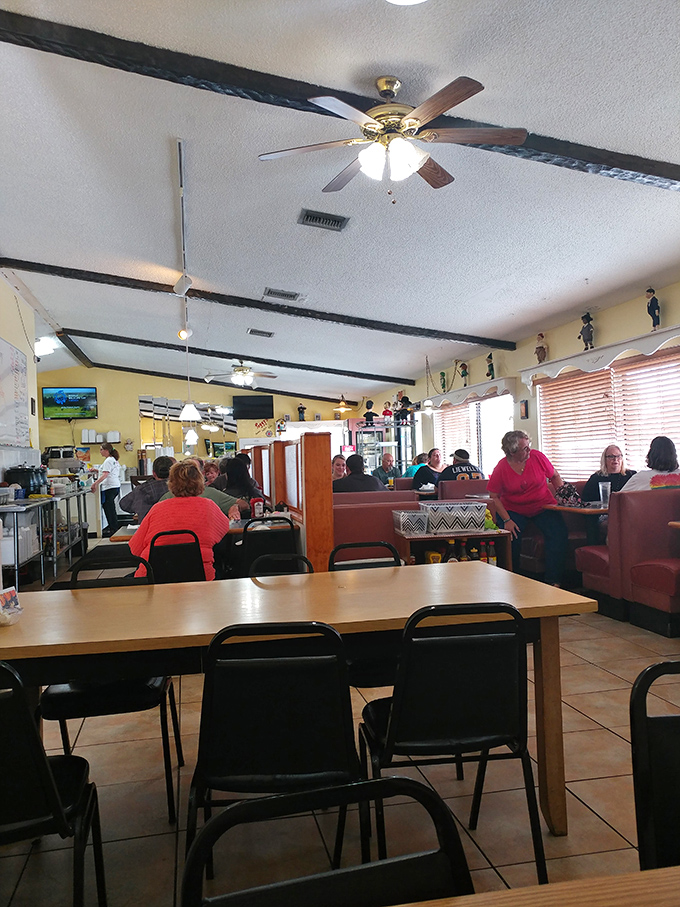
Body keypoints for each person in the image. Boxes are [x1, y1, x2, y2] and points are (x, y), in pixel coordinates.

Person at [487, 431, 568, 586]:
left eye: (529, 446)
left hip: (543, 505)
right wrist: (507, 519)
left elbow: (555, 476)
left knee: (558, 533)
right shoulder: (502, 468)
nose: (529, 451)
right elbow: (494, 496)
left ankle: (554, 581)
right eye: (525, 448)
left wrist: (564, 497)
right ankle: (512, 581)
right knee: (511, 537)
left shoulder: (537, 457)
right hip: (514, 509)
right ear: (512, 451)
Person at [130, 460, 231, 581]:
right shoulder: (209, 506)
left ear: (171, 483)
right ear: (200, 482)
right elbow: (224, 531)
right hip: (200, 577)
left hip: (154, 578)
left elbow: (135, 549)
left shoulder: (157, 508)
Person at [161, 459, 241, 519]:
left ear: (171, 481)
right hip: (204, 541)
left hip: (167, 541)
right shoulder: (209, 504)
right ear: (200, 478)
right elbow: (223, 529)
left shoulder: (161, 504)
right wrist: (235, 506)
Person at [119, 455, 175, 522]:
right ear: (172, 472)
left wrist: (138, 508)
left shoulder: (141, 489)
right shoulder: (178, 489)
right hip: (173, 528)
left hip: (147, 528)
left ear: (154, 473)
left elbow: (124, 504)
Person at [91, 442, 121, 537]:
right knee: (110, 508)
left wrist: (95, 483)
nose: (100, 452)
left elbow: (105, 475)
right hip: (114, 486)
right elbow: (106, 472)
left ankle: (113, 529)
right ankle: (113, 527)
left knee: (109, 509)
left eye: (101, 449)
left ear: (106, 451)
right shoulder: (112, 459)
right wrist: (96, 470)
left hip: (109, 487)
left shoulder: (108, 460)